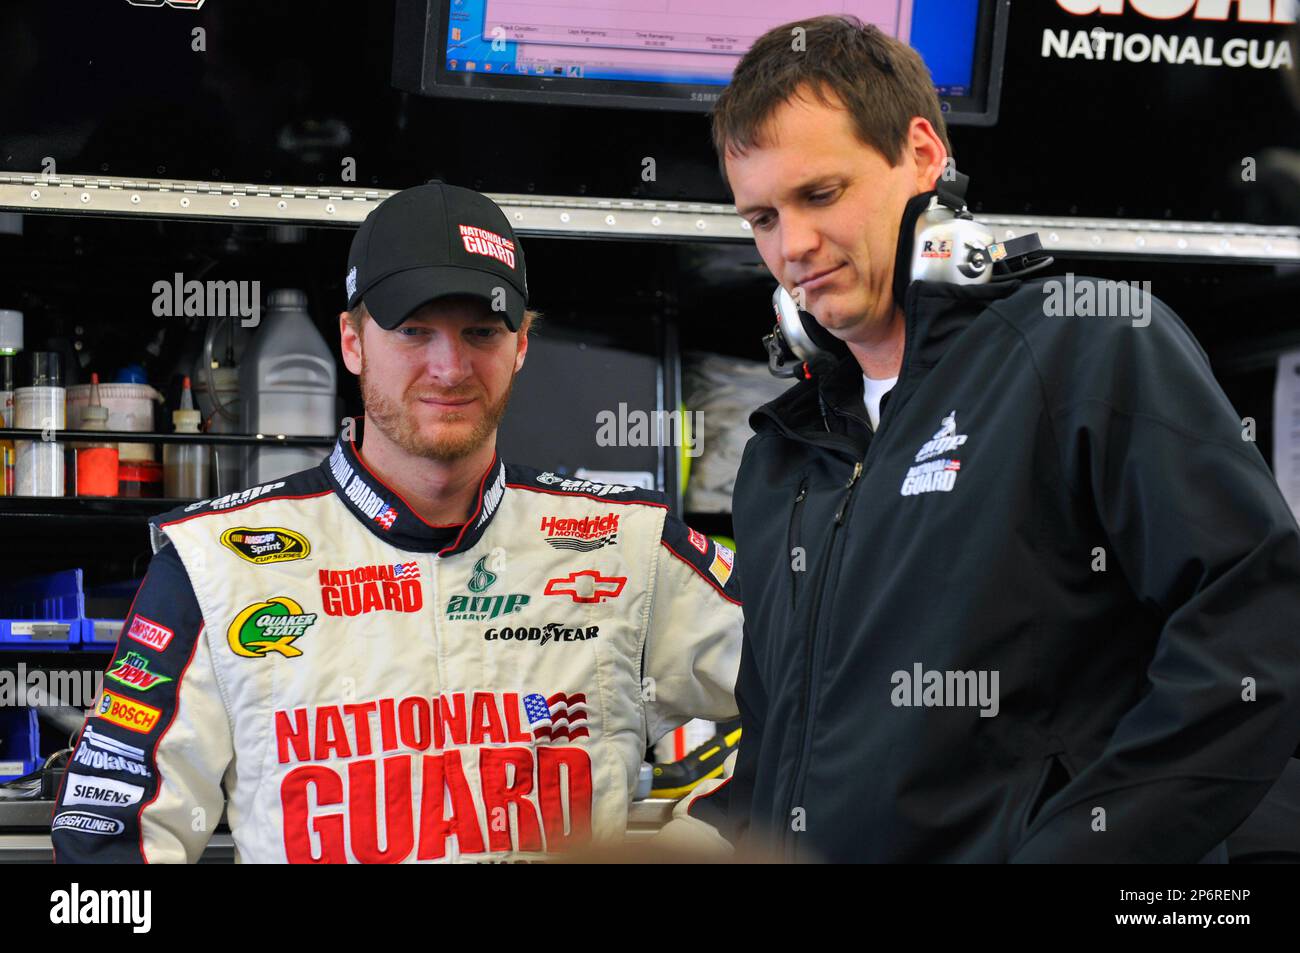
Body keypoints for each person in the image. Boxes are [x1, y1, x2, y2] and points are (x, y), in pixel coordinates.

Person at [696, 15, 1300, 862]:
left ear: (921, 153)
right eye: (761, 218)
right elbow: (779, 750)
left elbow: (1261, 627)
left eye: (820, 195)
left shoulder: (1086, 346)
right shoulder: (785, 456)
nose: (792, 248)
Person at [52, 182, 742, 863]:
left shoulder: (629, 547)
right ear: (352, 342)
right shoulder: (213, 562)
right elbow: (106, 842)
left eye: (480, 331)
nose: (450, 367)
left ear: (521, 344)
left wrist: (710, 832)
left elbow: (829, 682)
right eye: (413, 330)